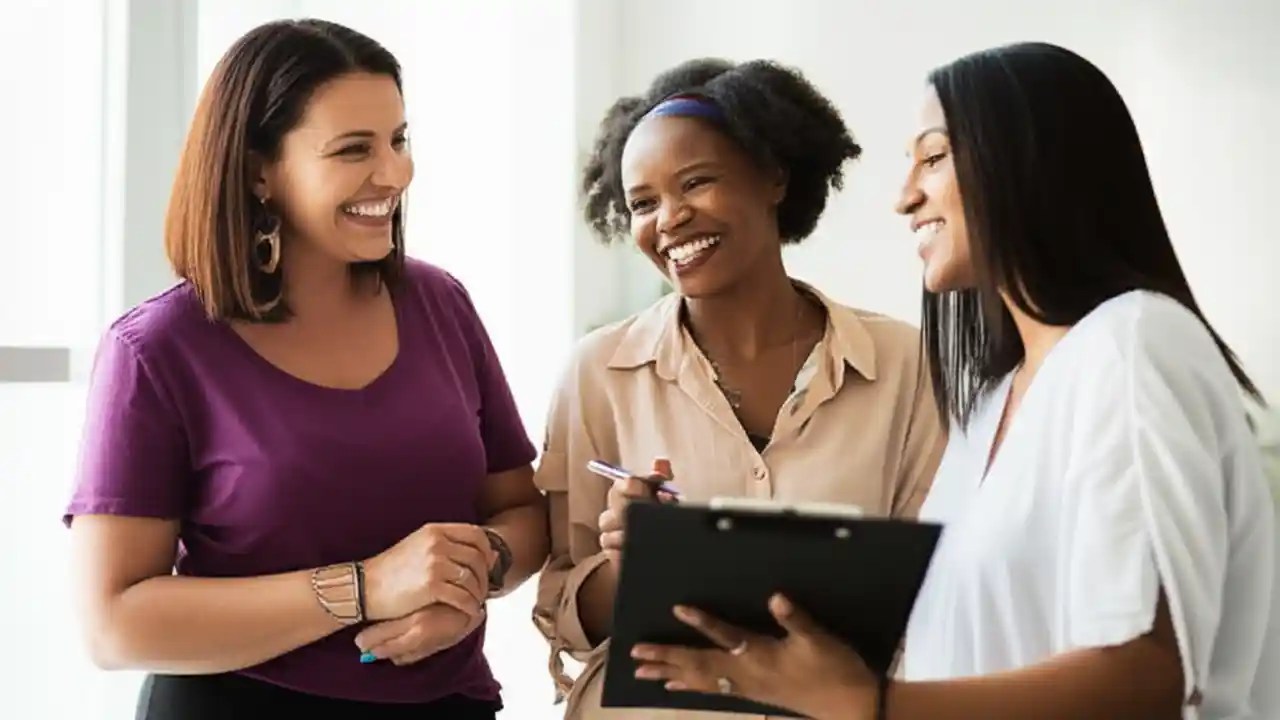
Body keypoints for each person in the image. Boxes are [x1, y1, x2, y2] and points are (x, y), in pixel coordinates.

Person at [627, 41, 1278, 720]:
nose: (905, 197)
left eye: (933, 158)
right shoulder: (991, 403)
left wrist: (874, 704)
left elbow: (1146, 676)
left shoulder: (1132, 343)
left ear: (1029, 159)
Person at [63, 19, 547, 719]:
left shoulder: (440, 303)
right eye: (354, 150)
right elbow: (113, 622)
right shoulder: (158, 349)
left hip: (450, 703)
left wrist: (467, 583)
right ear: (260, 170)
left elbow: (520, 510)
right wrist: (368, 587)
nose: (394, 173)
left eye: (399, 140)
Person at [531, 58, 948, 719]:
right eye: (643, 203)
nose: (669, 218)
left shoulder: (907, 366)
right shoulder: (598, 373)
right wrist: (632, 559)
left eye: (695, 182)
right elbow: (564, 614)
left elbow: (936, 592)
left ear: (774, 176)